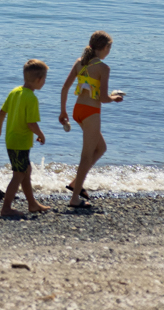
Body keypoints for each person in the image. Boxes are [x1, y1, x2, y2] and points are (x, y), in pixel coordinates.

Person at [57, 31, 125, 209]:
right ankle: (74, 199)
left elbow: (65, 88)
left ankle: (75, 183)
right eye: (109, 47)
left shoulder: (80, 62)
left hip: (77, 110)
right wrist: (114, 97)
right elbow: (102, 98)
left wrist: (63, 112)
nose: (109, 51)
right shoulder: (103, 68)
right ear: (105, 48)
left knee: (101, 148)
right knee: (86, 156)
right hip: (91, 112)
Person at [0, 59, 50, 217]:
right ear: (38, 80)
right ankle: (6, 208)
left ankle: (32, 204)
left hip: (11, 139)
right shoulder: (31, 98)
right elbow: (31, 123)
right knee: (18, 174)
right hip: (20, 142)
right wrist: (41, 134)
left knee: (26, 170)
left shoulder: (15, 92)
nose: (45, 82)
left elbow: (2, 112)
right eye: (44, 79)